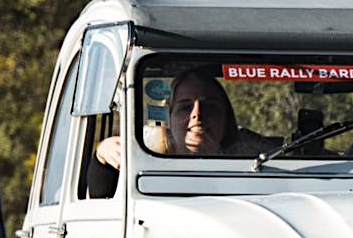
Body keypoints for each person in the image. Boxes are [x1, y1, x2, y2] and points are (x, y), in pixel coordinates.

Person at [94, 72, 271, 168]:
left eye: (210, 107)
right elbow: (100, 194)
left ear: (226, 120)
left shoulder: (255, 160)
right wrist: (103, 152)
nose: (197, 114)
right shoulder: (142, 152)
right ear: (168, 119)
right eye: (185, 107)